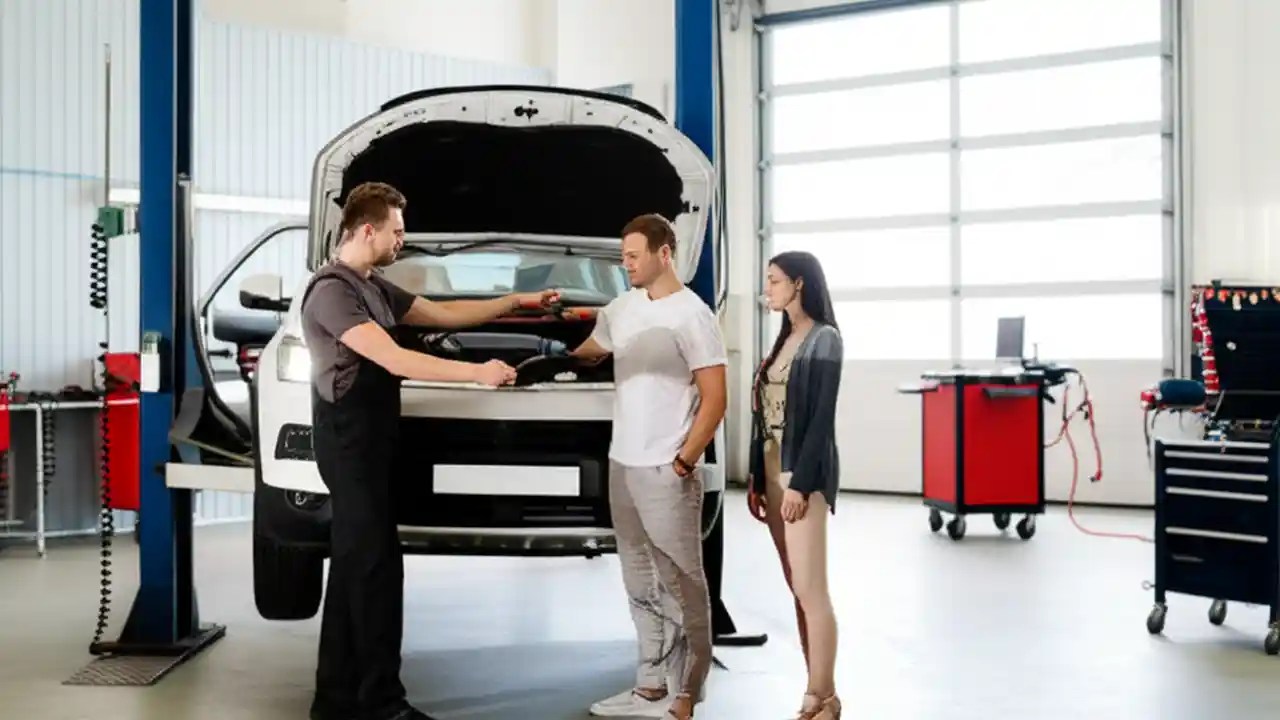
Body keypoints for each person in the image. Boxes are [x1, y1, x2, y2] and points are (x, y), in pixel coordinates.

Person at [300, 181, 560, 720]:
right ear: (367, 229)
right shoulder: (333, 290)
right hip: (348, 437)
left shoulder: (374, 285)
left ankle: (335, 701)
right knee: (371, 566)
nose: (403, 240)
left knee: (358, 566)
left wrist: (517, 301)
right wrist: (478, 374)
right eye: (397, 232)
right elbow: (393, 359)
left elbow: (443, 316)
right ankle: (381, 704)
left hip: (371, 435)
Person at [570, 213, 728, 720]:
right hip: (623, 464)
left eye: (634, 255)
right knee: (638, 581)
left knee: (681, 583)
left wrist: (684, 461)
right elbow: (586, 354)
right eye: (624, 255)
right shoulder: (620, 309)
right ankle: (650, 688)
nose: (626, 263)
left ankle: (685, 698)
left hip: (665, 467)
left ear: (665, 253)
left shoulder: (693, 315)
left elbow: (715, 398)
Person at [746, 251, 843, 720]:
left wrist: (801, 487)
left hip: (800, 477)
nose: (768, 289)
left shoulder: (825, 340)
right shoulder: (783, 339)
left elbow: (821, 420)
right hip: (769, 475)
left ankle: (822, 696)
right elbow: (761, 412)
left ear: (799, 284)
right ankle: (818, 686)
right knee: (794, 585)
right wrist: (754, 478)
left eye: (774, 281)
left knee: (810, 588)